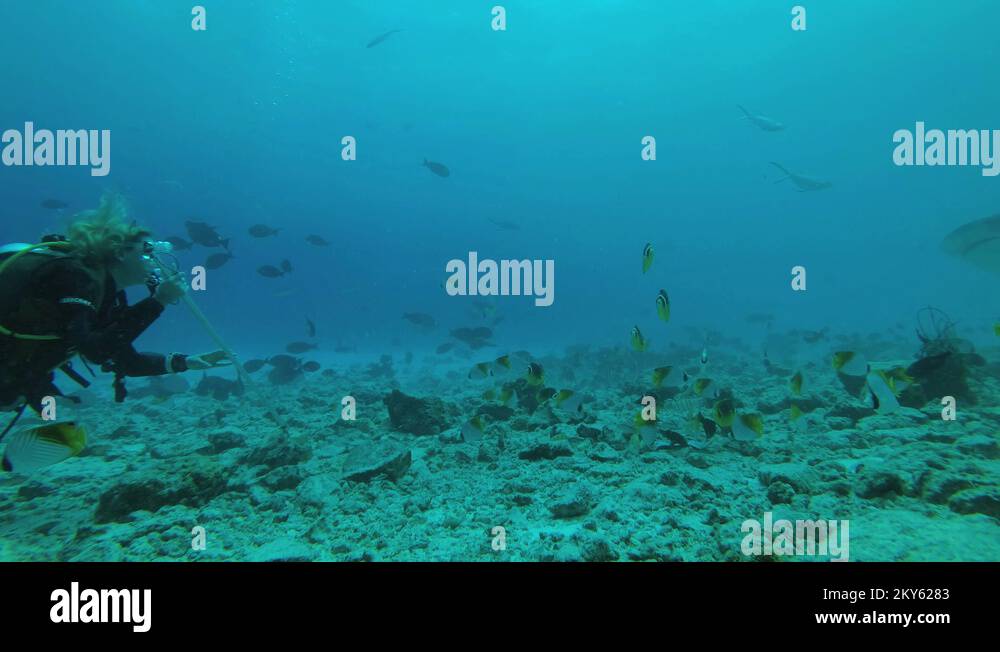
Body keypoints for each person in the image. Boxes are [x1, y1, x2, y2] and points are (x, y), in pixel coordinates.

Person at [0, 194, 231, 436]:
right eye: (146, 252)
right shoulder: (79, 279)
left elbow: (125, 360)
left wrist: (185, 362)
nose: (153, 262)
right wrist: (159, 300)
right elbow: (95, 351)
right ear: (121, 252)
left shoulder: (106, 296)